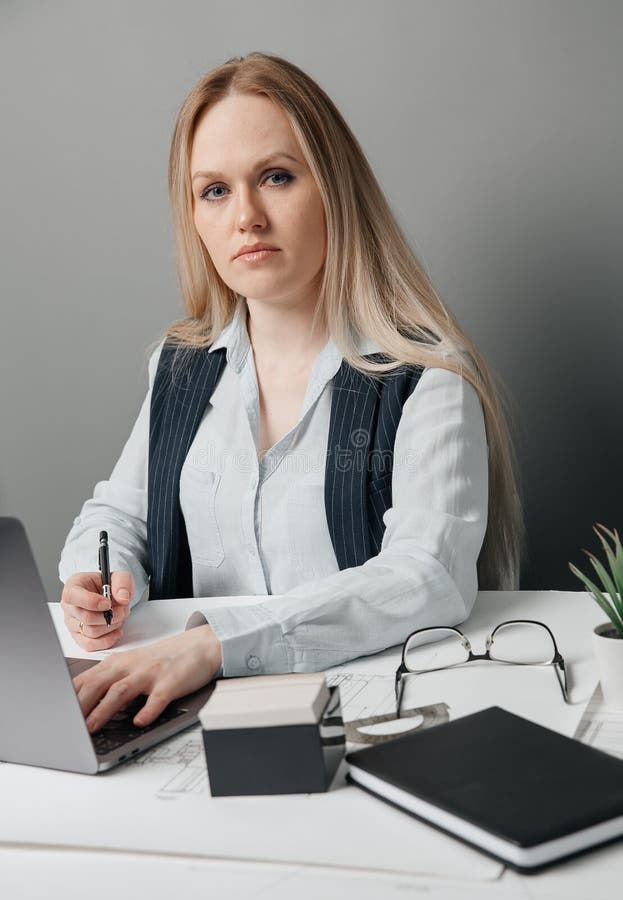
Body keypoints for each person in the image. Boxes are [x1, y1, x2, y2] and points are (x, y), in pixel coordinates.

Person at [58, 51, 524, 736]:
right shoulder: (179, 367)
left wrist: (215, 644)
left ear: (334, 189)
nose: (245, 216)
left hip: (372, 721)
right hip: (181, 717)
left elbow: (426, 576)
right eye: (214, 190)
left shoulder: (426, 373)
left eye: (275, 177)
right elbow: (117, 513)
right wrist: (95, 580)